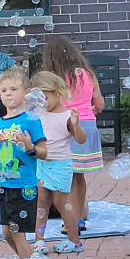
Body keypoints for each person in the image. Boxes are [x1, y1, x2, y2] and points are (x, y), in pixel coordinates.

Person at [41, 35, 105, 231]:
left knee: (64, 176)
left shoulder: (51, 80)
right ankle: (78, 219)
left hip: (63, 129)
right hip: (87, 127)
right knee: (79, 177)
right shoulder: (88, 75)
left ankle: (68, 221)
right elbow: (100, 105)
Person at [0, 66, 46, 258]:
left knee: (16, 232)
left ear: (26, 93)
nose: (8, 94)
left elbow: (44, 153)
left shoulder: (31, 120)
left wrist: (30, 146)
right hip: (6, 184)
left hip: (24, 185)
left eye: (13, 89)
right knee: (6, 233)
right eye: (3, 90)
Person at [29, 71, 87, 254]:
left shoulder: (67, 116)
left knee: (62, 203)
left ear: (57, 92)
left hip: (60, 165)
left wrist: (76, 125)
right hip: (42, 163)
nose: (42, 103)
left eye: (45, 98)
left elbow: (81, 139)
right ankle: (39, 240)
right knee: (42, 202)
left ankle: (74, 240)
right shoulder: (39, 114)